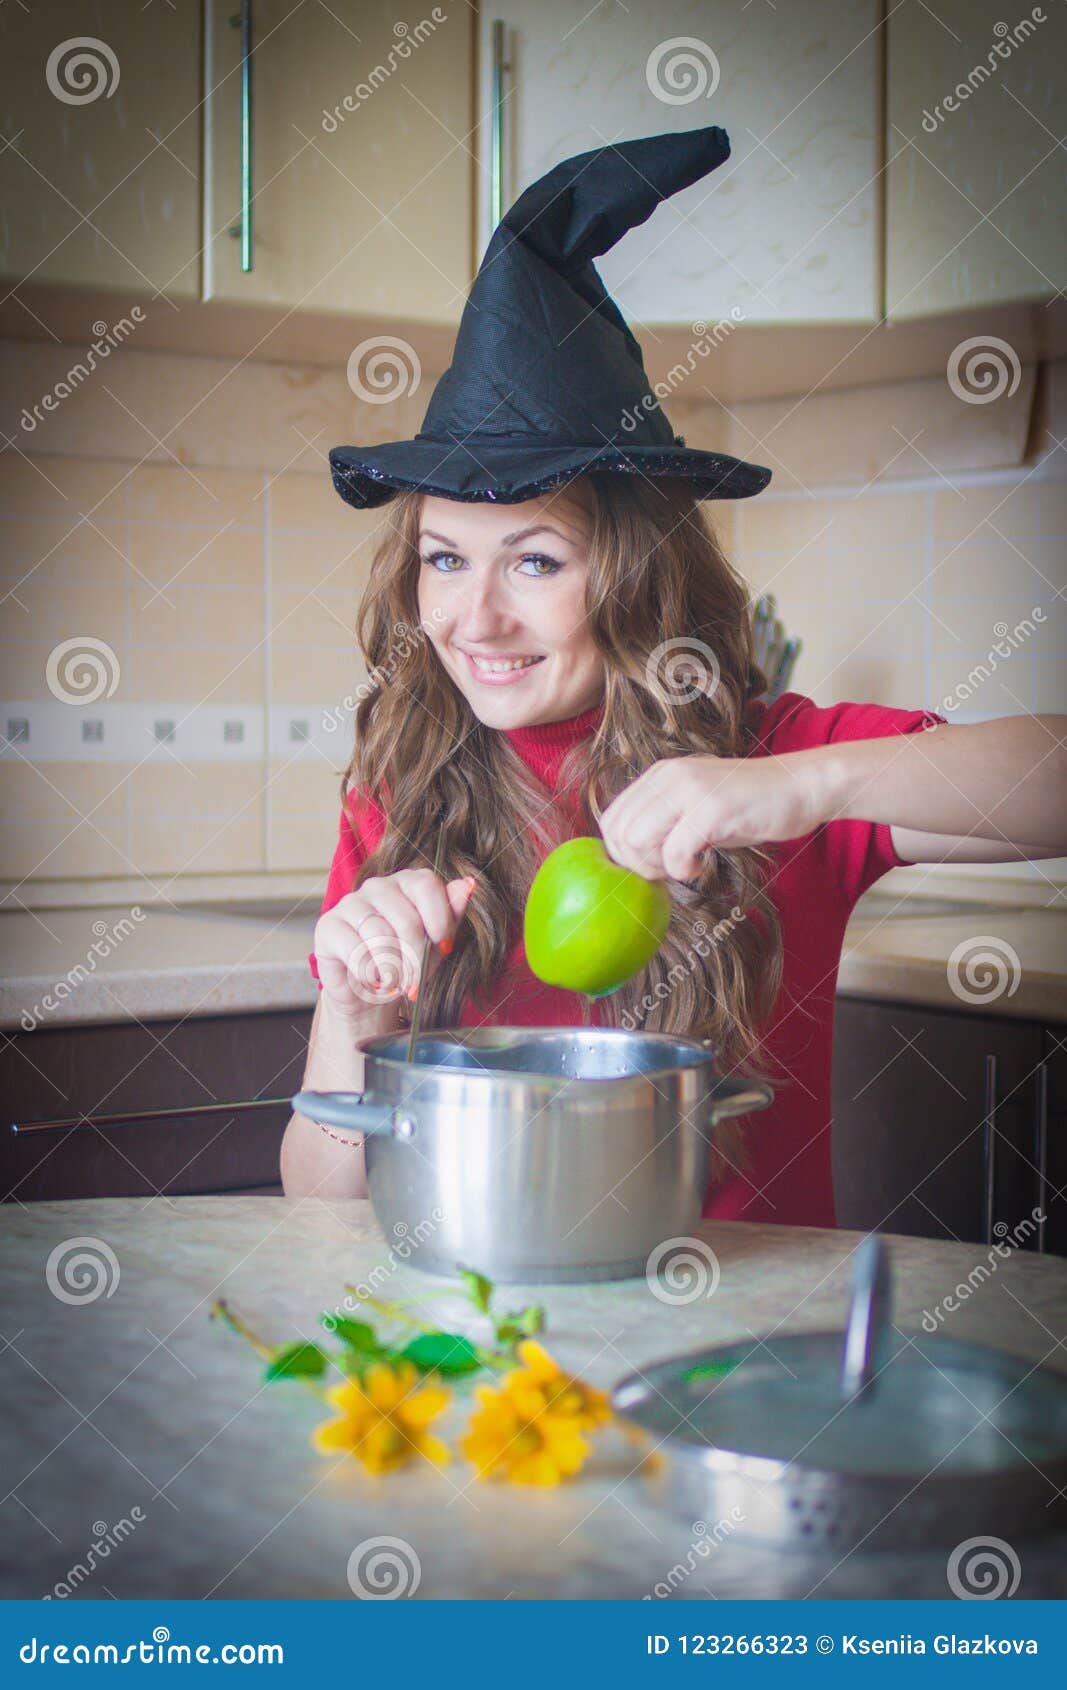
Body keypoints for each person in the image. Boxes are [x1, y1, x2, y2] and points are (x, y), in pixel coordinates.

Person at [281, 129, 1066, 1220]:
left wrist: (799, 787)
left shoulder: (767, 765)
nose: (474, 615)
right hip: (491, 1360)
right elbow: (316, 1213)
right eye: (444, 559)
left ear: (636, 575)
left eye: (537, 561)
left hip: (743, 1356)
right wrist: (346, 1023)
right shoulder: (399, 795)